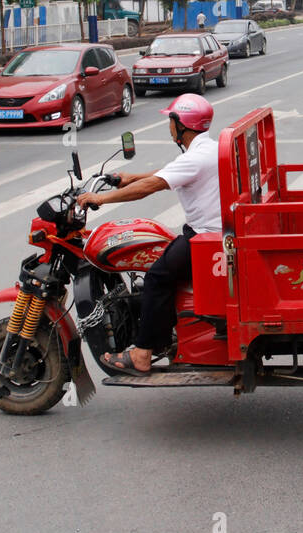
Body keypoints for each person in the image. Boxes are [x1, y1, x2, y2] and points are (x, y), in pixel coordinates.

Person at [76, 94, 219, 375]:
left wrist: (101, 199)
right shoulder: (205, 149)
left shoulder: (196, 157)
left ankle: (142, 354)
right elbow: (168, 173)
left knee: (156, 277)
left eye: (171, 120)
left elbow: (151, 186)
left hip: (205, 237)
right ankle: (164, 334)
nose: (169, 125)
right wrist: (130, 177)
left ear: (181, 125)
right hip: (210, 232)